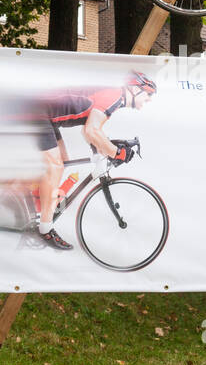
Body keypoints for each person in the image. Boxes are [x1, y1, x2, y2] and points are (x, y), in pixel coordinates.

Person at [27, 71, 156, 250]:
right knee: (55, 167)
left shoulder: (114, 97)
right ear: (134, 89)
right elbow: (91, 131)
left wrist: (106, 149)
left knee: (62, 162)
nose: (149, 99)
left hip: (47, 115)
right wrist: (116, 153)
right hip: (39, 113)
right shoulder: (115, 96)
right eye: (148, 94)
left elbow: (93, 130)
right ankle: (45, 230)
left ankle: (32, 200)